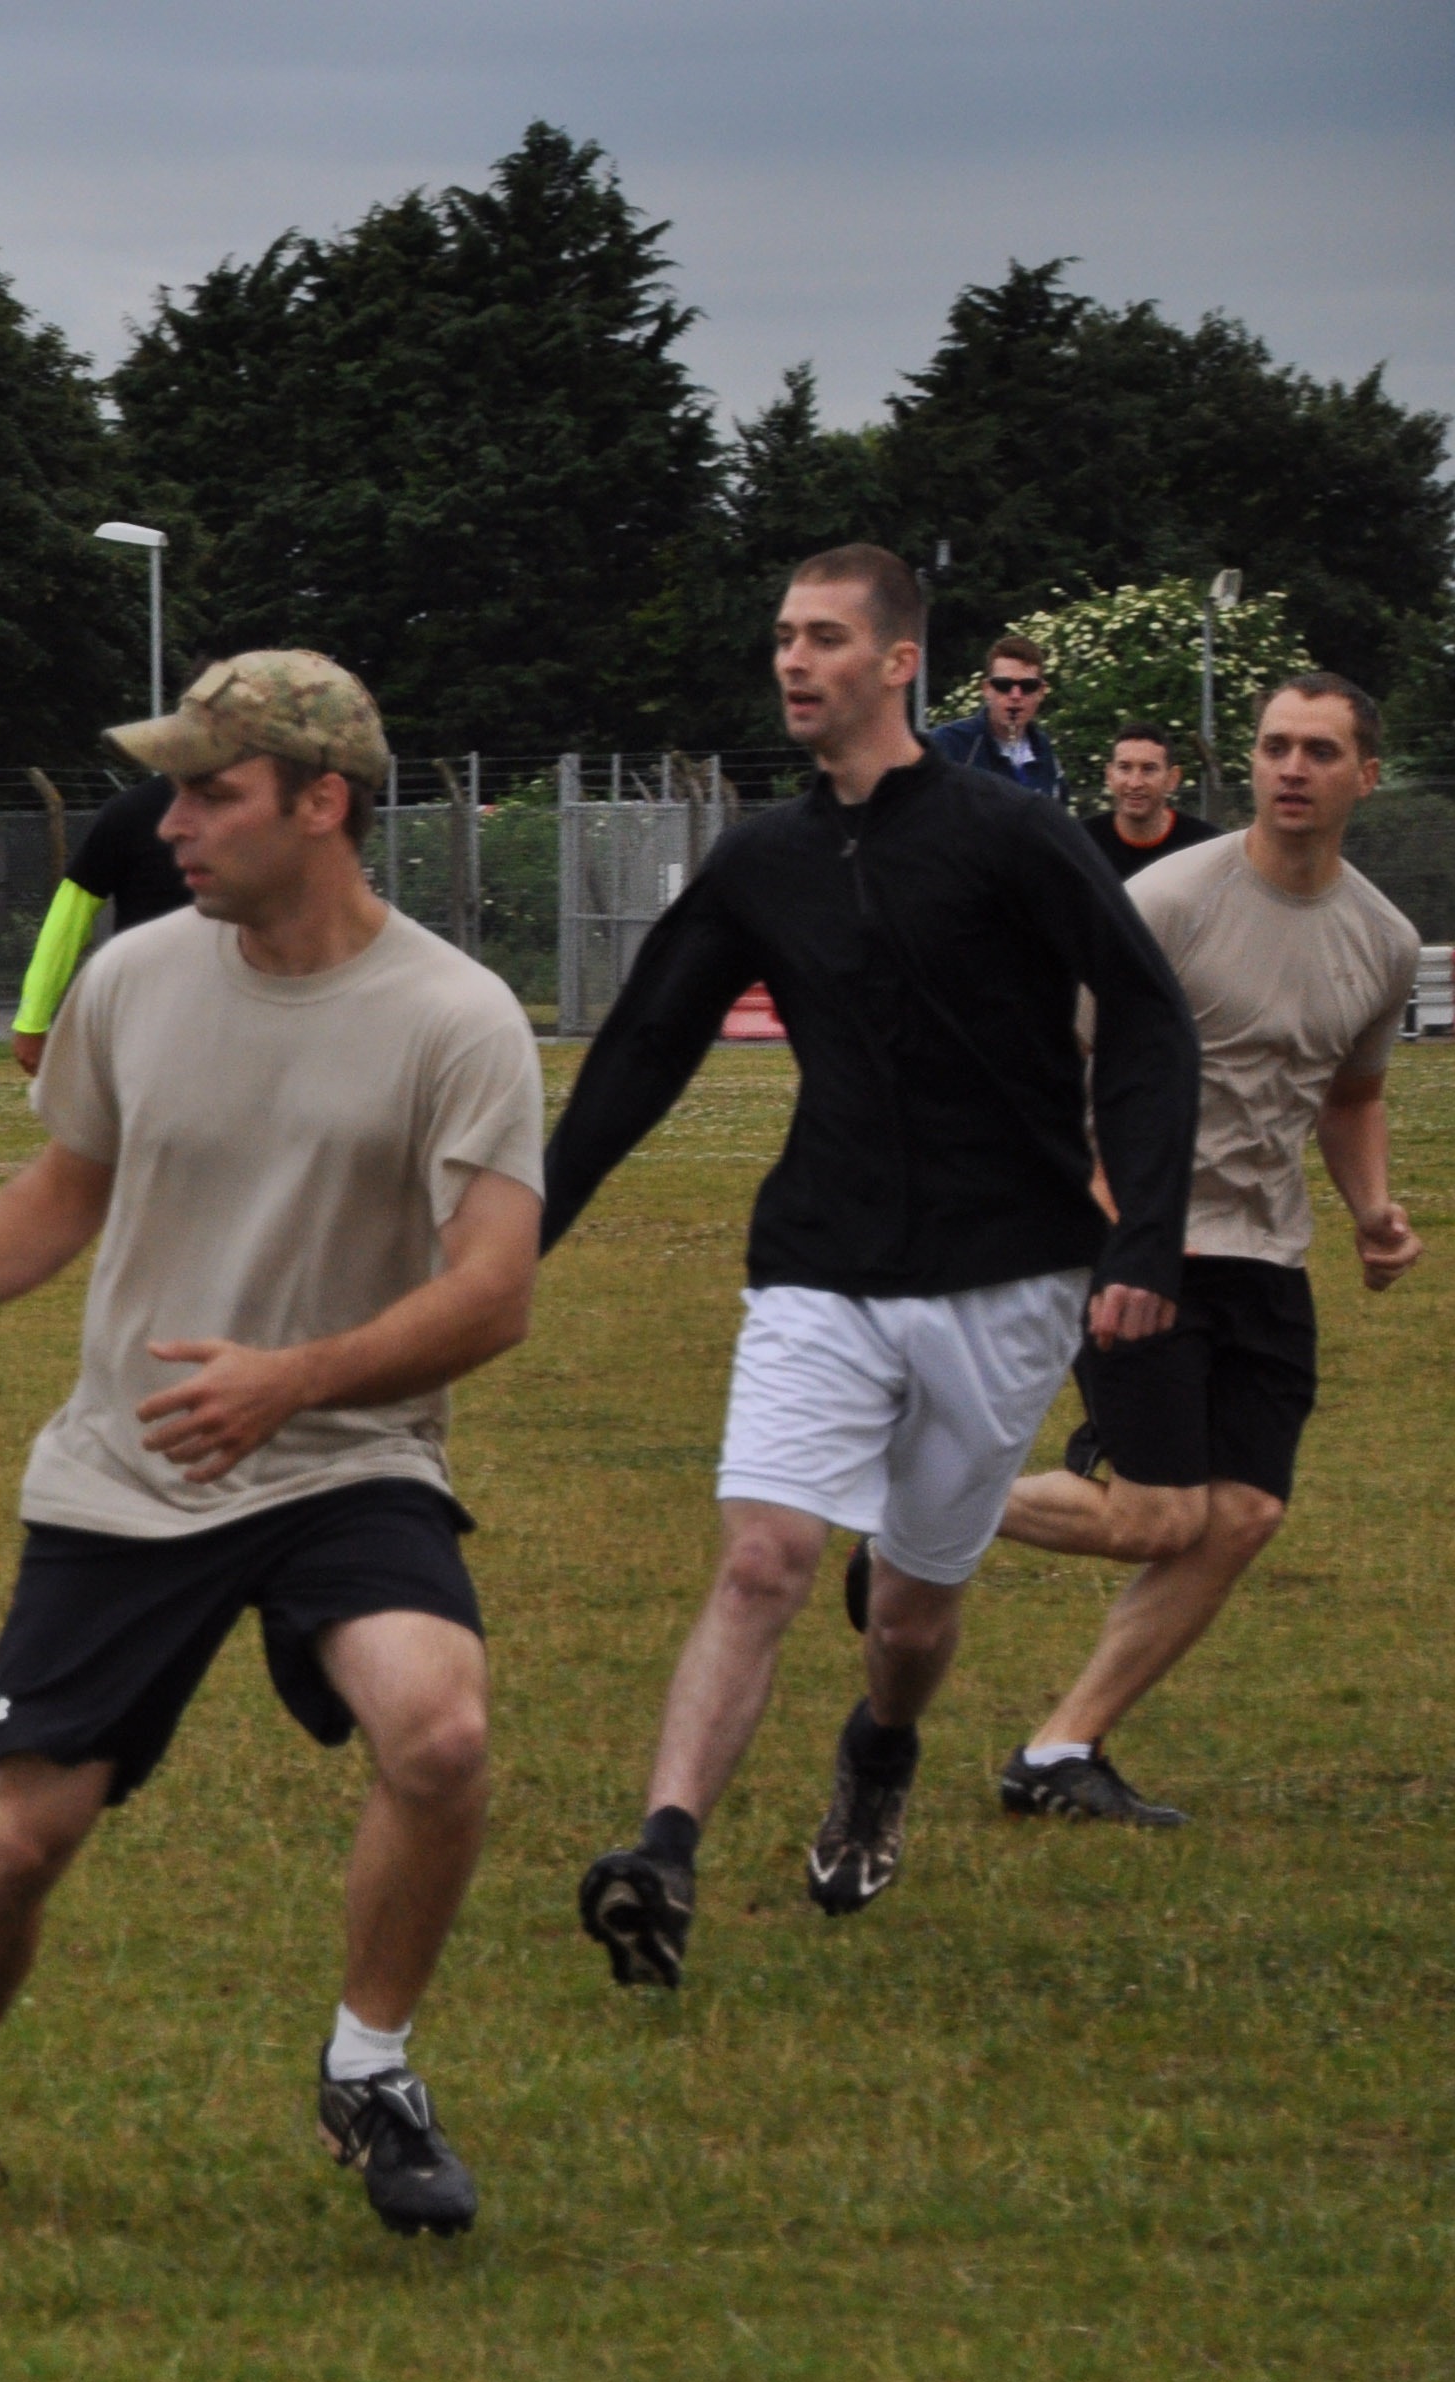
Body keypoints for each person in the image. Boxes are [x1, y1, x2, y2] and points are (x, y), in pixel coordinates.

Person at [0, 653, 542, 2242]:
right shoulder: (135, 978)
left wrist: (299, 1381)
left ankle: (373, 2071)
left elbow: (496, 1293)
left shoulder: (456, 1015)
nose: (173, 823)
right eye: (174, 788)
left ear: (323, 803)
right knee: (19, 1843)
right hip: (129, 1469)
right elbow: (69, 1190)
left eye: (212, 792)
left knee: (440, 1735)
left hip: (346, 1455)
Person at [543, 547, 1196, 1987]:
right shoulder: (763, 858)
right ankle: (662, 1851)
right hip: (819, 1262)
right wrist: (529, 1226)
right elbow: (649, 1041)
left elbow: (1149, 1021)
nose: (793, 661)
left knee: (906, 1609)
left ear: (899, 661)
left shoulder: (1010, 835)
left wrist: (1142, 1231)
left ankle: (880, 1750)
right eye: (783, 635)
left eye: (826, 638)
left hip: (1010, 1273)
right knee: (767, 1556)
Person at [988, 674, 1420, 1824]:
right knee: (1156, 1515)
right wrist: (1106, 1228)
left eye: (1318, 751)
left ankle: (1058, 1750)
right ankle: (924, 1503)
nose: (1290, 768)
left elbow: (1351, 1093)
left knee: (1243, 1516)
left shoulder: (1382, 939)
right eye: (1276, 746)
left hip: (1265, 1254)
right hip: (1142, 1236)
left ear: (1363, 776)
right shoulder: (1171, 899)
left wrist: (1373, 1211)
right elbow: (1051, 1064)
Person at [7, 771, 196, 1075]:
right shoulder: (132, 813)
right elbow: (69, 919)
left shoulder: (277, 809)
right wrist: (32, 1019)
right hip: (148, 1023)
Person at [926, 633, 1067, 806]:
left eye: (1027, 686)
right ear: (986, 689)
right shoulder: (948, 744)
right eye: (1004, 685)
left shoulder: (1044, 750)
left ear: (1041, 691)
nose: (1015, 695)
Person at [1094, 725, 1224, 880]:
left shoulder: (1206, 847)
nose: (1135, 783)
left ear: (1172, 779)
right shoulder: (1082, 845)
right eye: (1125, 768)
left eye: (1148, 769)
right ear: (1109, 775)